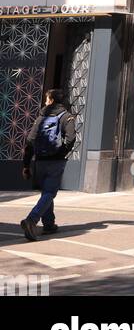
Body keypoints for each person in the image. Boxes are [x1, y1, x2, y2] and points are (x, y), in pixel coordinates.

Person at [20, 88, 76, 240]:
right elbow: (70, 139)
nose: (45, 102)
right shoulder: (66, 117)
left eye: (47, 99)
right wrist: (60, 152)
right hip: (55, 162)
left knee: (46, 192)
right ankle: (31, 220)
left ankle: (49, 224)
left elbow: (30, 141)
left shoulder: (41, 117)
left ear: (51, 101)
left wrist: (26, 165)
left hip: (40, 161)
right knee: (50, 193)